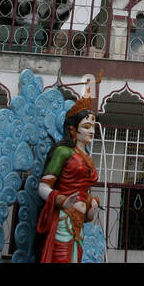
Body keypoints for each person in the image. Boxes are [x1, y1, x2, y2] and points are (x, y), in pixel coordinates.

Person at [36, 94, 101, 263]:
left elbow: (83, 191)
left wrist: (91, 209)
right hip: (62, 220)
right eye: (87, 126)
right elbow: (43, 187)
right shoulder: (63, 152)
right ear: (73, 129)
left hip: (79, 223)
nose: (92, 131)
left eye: (93, 126)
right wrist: (62, 201)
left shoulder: (87, 156)